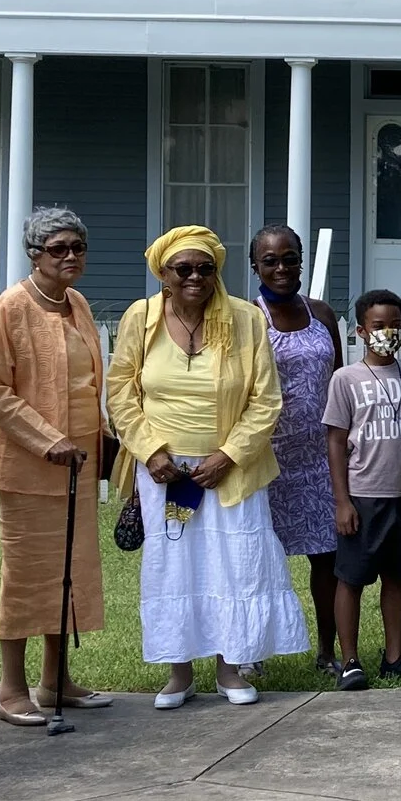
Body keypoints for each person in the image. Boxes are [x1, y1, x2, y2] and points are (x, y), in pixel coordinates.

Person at [106, 225, 306, 708]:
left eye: (206, 268)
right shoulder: (142, 316)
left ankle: (230, 668)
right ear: (164, 274)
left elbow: (266, 398)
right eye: (183, 269)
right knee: (175, 565)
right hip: (167, 477)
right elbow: (121, 391)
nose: (195, 277)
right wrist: (151, 453)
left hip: (231, 470)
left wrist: (228, 455)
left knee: (235, 567)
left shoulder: (245, 319)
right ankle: (178, 672)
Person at [0, 206, 109, 725]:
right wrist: (48, 440)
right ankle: (11, 689)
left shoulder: (77, 303)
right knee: (27, 577)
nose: (70, 257)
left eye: (77, 248)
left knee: (69, 577)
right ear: (35, 255)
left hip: (78, 465)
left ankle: (57, 679)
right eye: (58, 249)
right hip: (29, 467)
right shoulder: (10, 307)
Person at [322, 289, 401, 692]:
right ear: (361, 331)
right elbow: (336, 441)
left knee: (397, 577)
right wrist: (342, 500)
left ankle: (394, 656)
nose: (387, 332)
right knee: (351, 578)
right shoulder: (346, 380)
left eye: (395, 324)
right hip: (362, 495)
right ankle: (350, 660)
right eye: (379, 326)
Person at [248, 223, 345, 673]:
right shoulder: (247, 318)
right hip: (266, 457)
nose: (282, 267)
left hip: (322, 458)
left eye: (290, 258)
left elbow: (341, 384)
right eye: (271, 260)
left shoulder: (323, 314)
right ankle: (253, 652)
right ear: (255, 267)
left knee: (328, 556)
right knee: (257, 559)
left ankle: (328, 648)